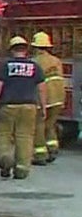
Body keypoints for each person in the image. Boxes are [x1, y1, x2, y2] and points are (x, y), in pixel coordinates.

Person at [0, 36, 47, 179]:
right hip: (29, 106)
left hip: (8, 105)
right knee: (25, 137)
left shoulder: (5, 65)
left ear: (11, 50)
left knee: (3, 134)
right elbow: (41, 88)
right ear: (26, 50)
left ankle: (5, 158)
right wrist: (43, 107)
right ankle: (21, 169)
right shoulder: (34, 66)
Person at [31, 31, 66, 163]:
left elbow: (37, 84)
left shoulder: (34, 62)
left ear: (35, 47)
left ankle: (40, 155)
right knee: (50, 125)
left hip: (44, 99)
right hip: (58, 98)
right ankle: (52, 148)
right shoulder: (56, 60)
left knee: (39, 126)